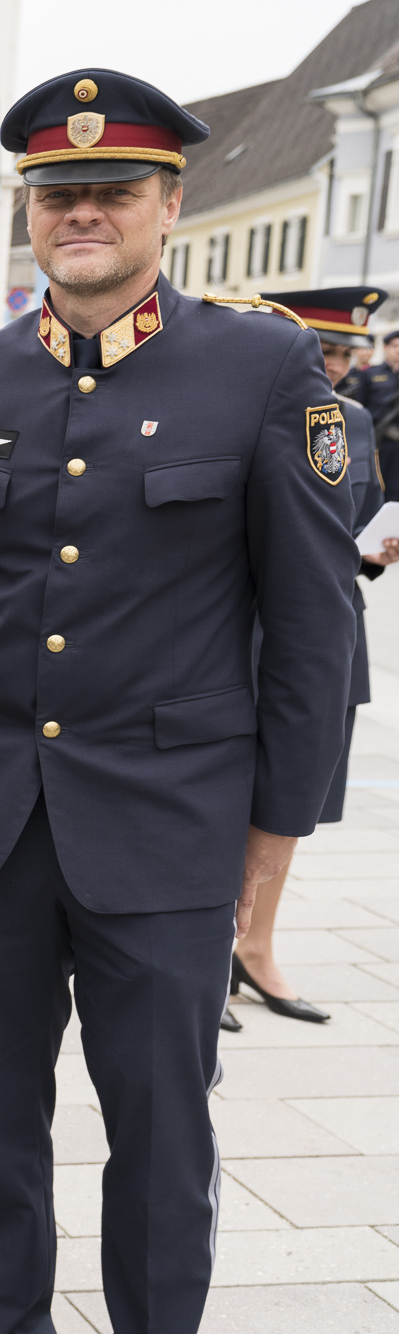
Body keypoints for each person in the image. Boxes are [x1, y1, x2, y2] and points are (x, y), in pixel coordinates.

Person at [0, 72, 358, 1334]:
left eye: (111, 192)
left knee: (156, 1129)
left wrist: (273, 836)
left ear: (167, 205)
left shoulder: (258, 364)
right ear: (30, 212)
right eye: (57, 193)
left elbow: (310, 621)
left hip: (167, 823)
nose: (81, 211)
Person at [229, 286, 399, 1032]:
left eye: (340, 356)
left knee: (292, 800)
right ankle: (207, 951)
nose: (329, 367)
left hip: (326, 631)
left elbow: (346, 523)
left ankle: (256, 948)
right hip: (237, 631)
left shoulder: (352, 420)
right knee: (222, 791)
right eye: (321, 350)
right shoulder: (230, 400)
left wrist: (375, 553)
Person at [341, 328, 399, 498]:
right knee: (379, 486)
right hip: (380, 440)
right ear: (385, 348)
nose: (398, 350)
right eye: (394, 346)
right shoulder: (370, 374)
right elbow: (359, 406)